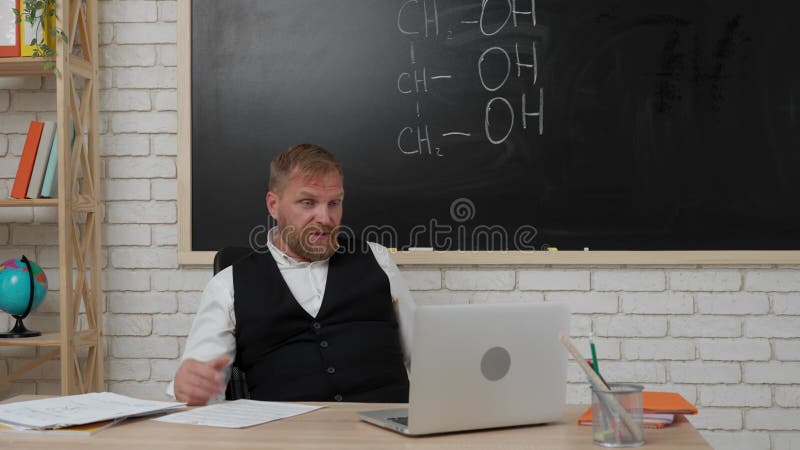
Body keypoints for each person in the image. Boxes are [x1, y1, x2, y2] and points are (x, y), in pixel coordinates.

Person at [169, 144, 415, 405]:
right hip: (286, 436)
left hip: (387, 435)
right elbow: (200, 390)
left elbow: (425, 356)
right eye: (308, 202)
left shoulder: (378, 260)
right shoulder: (228, 286)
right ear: (274, 205)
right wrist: (187, 389)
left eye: (334, 203)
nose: (325, 217)